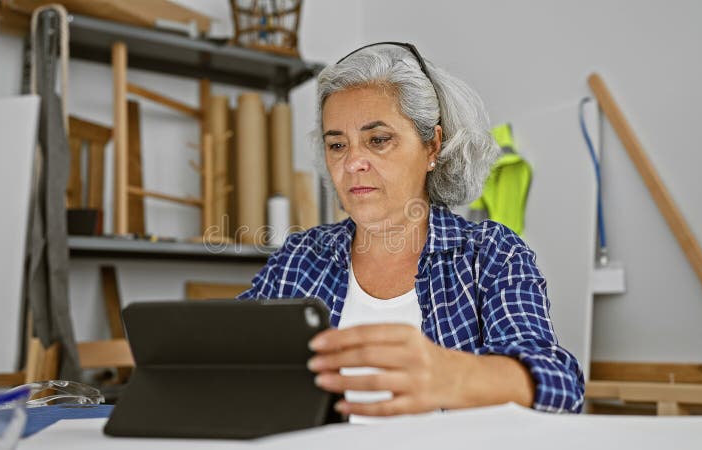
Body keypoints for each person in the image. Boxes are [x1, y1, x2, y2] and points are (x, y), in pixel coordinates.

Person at [238, 42, 584, 420]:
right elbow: (224, 357)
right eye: (337, 144)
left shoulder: (491, 254)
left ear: (432, 146)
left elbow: (562, 387)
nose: (353, 162)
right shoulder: (299, 258)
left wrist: (452, 375)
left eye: (378, 140)